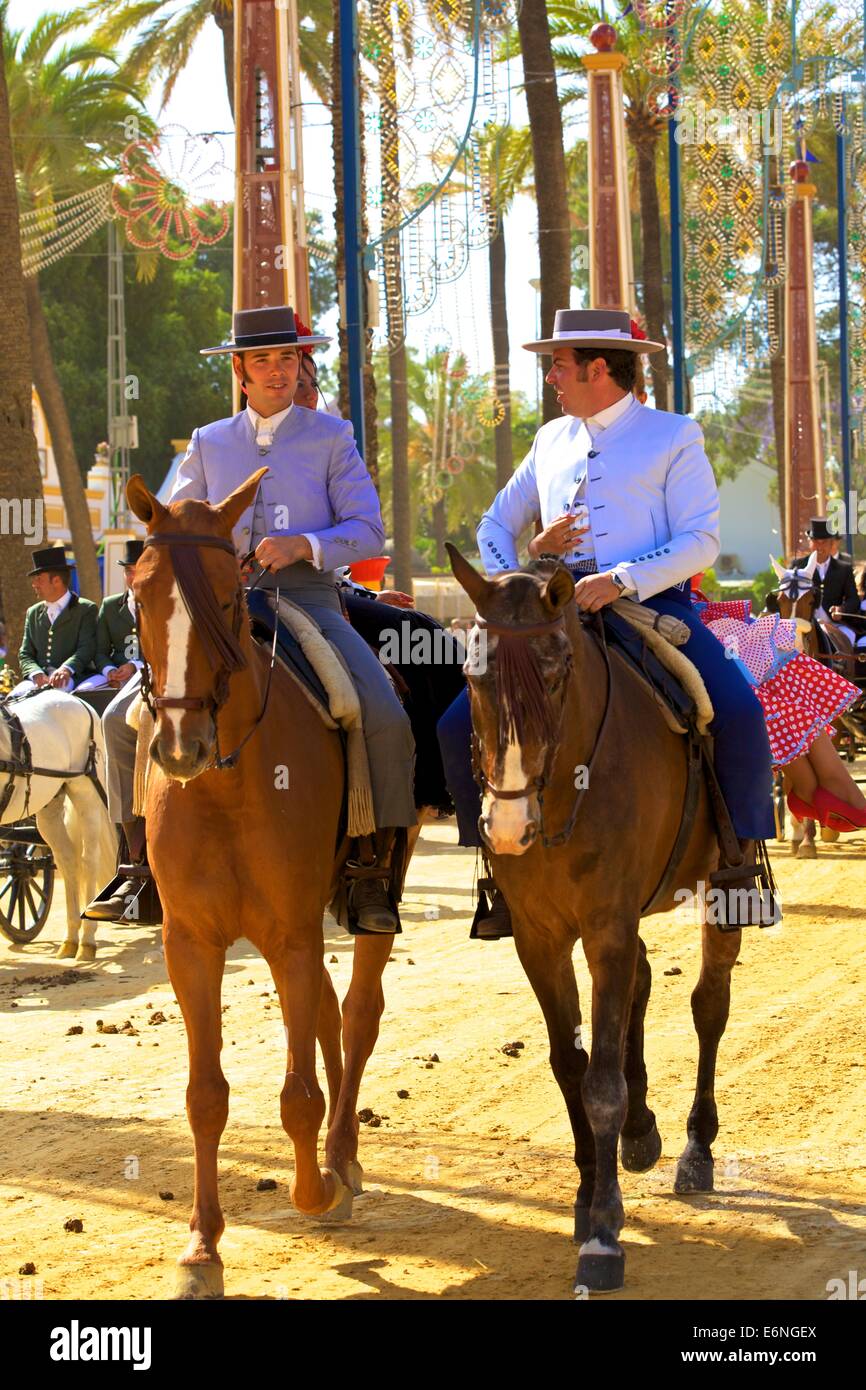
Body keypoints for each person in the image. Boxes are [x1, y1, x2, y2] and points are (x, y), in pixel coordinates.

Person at [438, 307, 775, 935]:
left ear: (598, 367)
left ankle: (738, 867)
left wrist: (618, 579)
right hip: (550, 615)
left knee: (736, 708)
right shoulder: (549, 440)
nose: (551, 380)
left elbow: (700, 540)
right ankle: (497, 871)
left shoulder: (675, 435)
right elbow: (491, 527)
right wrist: (518, 576)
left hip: (651, 607)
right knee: (458, 721)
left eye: (558, 366)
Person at [88, 305, 416, 932]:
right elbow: (164, 516)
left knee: (382, 711)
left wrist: (305, 545)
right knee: (117, 720)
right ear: (240, 371)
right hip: (217, 607)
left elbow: (368, 529)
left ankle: (370, 869)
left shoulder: (331, 435)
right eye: (262, 360)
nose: (277, 371)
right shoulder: (210, 441)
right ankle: (137, 869)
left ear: (300, 365)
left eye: (287, 358)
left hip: (309, 600)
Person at [696, 598, 866, 831]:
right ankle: (814, 788)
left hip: (687, 598)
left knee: (773, 658)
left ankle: (820, 785)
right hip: (658, 600)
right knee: (747, 669)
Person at [10, 547, 97, 697]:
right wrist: (36, 673)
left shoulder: (86, 609)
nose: (34, 584)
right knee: (11, 702)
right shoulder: (33, 612)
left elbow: (86, 648)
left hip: (71, 678)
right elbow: (25, 653)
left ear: (56, 580)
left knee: (55, 700)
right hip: (38, 679)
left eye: (39, 579)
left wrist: (66, 669)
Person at [76, 539, 143, 692]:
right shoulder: (109, 605)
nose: (133, 577)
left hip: (151, 672)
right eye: (128, 571)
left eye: (138, 570)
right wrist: (109, 670)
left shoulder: (160, 606)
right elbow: (100, 651)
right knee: (83, 691)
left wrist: (134, 666)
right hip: (116, 674)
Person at [792, 518, 861, 645]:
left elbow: (854, 599)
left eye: (823, 542)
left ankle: (841, 664)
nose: (819, 546)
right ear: (810, 543)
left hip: (835, 625)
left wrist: (842, 609)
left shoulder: (843, 569)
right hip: (805, 624)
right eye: (815, 542)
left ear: (831, 544)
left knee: (849, 636)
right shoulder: (798, 566)